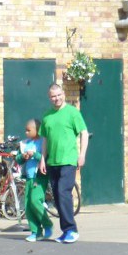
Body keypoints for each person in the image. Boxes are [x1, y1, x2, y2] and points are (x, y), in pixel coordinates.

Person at [38, 83, 89, 244]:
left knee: (63, 192)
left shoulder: (72, 113)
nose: (56, 99)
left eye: (59, 95)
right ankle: (66, 231)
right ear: (49, 98)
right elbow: (45, 139)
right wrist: (42, 159)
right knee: (58, 198)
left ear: (64, 94)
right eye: (53, 96)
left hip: (68, 160)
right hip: (52, 161)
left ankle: (71, 230)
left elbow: (84, 133)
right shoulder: (47, 116)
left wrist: (82, 155)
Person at [16, 119, 53, 242]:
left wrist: (35, 154)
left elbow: (45, 158)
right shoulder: (25, 143)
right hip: (29, 178)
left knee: (35, 200)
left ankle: (47, 224)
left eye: (28, 130)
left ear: (37, 130)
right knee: (28, 205)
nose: (26, 132)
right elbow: (18, 159)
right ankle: (35, 232)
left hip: (39, 177)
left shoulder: (43, 143)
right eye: (25, 130)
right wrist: (23, 156)